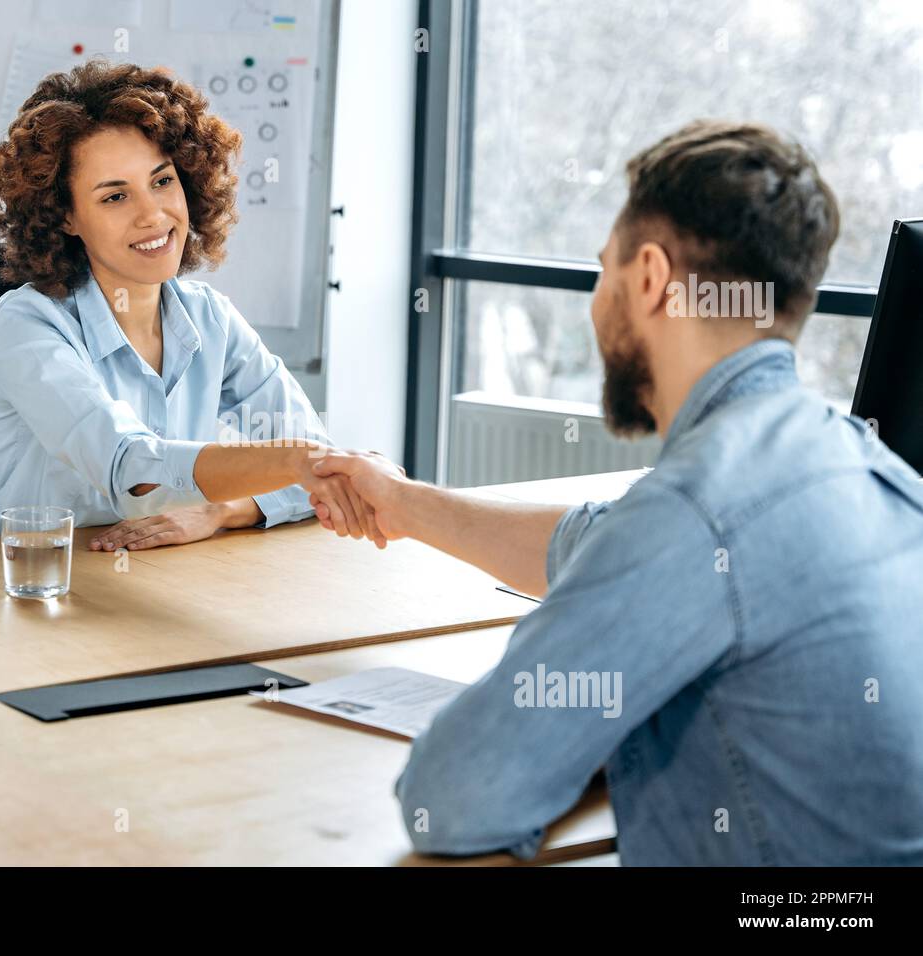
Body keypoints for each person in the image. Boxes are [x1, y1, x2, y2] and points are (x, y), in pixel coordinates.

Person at [311, 120, 923, 864]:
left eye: (604, 272)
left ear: (650, 277)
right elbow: (599, 543)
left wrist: (581, 731)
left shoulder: (696, 509)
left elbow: (451, 798)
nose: (597, 303)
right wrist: (401, 503)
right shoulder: (864, 469)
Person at [0, 60, 379, 549]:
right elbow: (132, 470)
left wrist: (224, 510)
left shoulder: (209, 317)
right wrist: (295, 461)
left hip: (158, 577)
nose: (153, 215)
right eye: (115, 197)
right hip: (25, 584)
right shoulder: (28, 324)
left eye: (162, 182)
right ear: (65, 219)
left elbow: (320, 467)